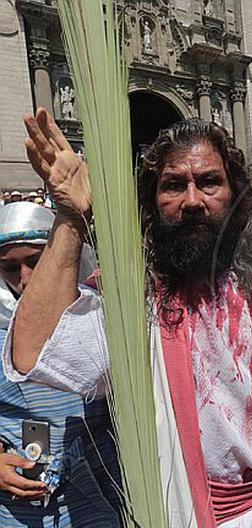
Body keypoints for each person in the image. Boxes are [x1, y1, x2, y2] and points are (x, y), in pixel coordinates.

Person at [7, 108, 252, 526]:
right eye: (173, 185)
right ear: (152, 200)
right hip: (187, 514)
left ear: (235, 193)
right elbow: (32, 351)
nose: (192, 201)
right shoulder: (132, 300)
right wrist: (72, 217)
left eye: (209, 182)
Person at [0, 201, 121, 526]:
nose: (24, 278)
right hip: (19, 507)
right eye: (10, 267)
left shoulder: (99, 318)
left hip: (99, 487)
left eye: (35, 262)